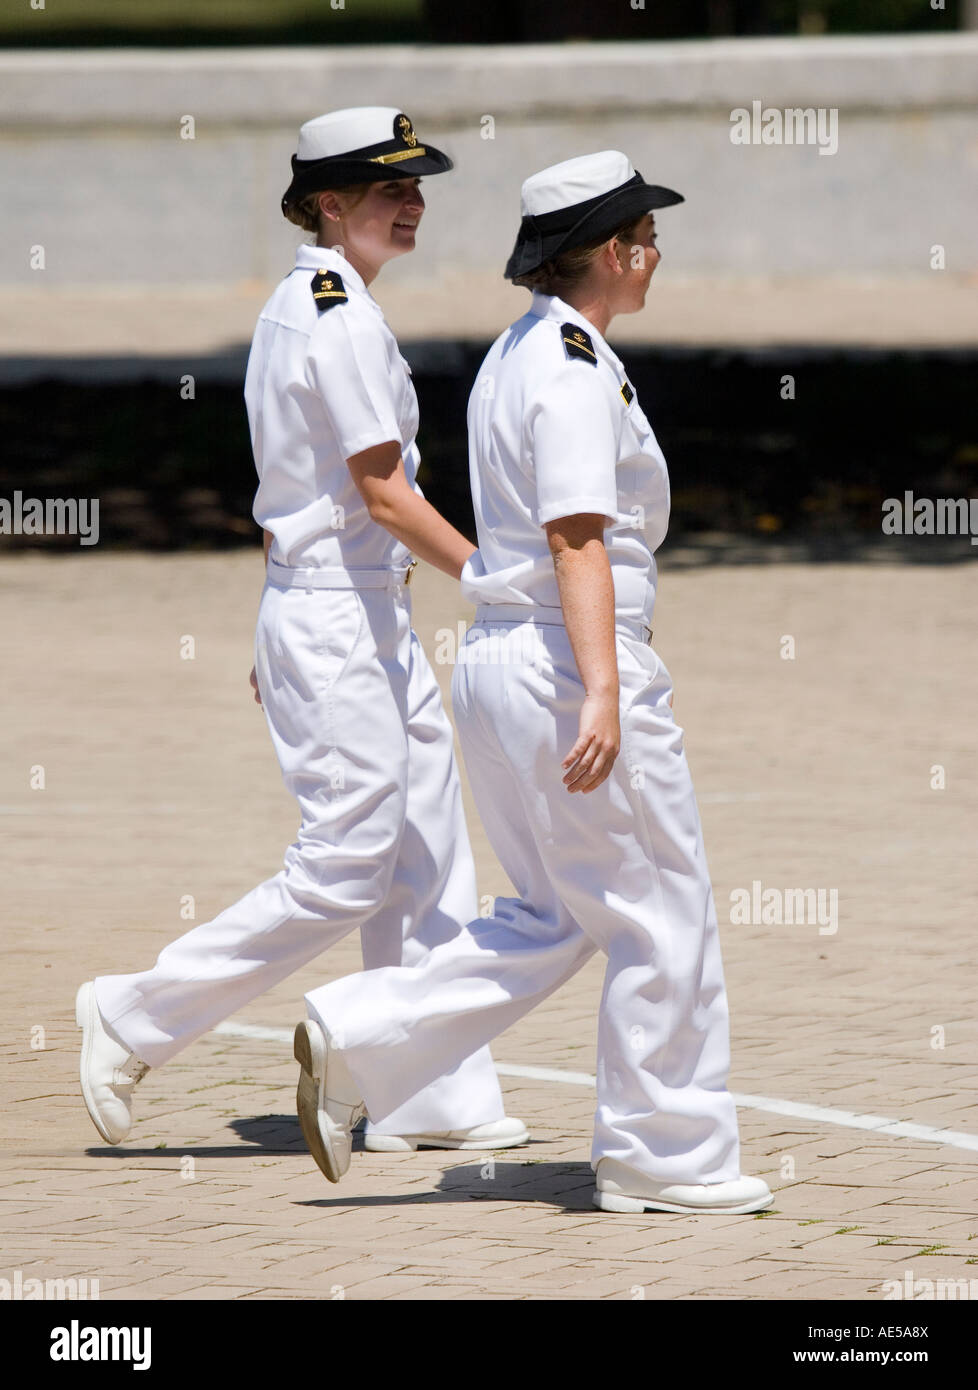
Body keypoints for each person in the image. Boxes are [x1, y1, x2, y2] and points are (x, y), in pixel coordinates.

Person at [291, 151, 773, 1214]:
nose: (657, 255)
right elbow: (576, 538)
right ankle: (671, 1153)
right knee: (663, 913)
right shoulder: (567, 365)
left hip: (505, 659)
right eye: (647, 237)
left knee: (552, 914)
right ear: (610, 251)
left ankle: (357, 1030)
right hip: (564, 658)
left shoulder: (522, 351)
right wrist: (604, 689)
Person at [75, 107, 526, 1157]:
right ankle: (134, 1013)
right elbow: (376, 489)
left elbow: (304, 484)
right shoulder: (332, 313)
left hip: (354, 608)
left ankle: (428, 1091)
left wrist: (290, 618)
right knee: (349, 863)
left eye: (418, 189)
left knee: (427, 855)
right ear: (329, 204)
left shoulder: (326, 303)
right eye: (388, 191)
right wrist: (494, 577)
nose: (412, 204)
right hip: (339, 611)